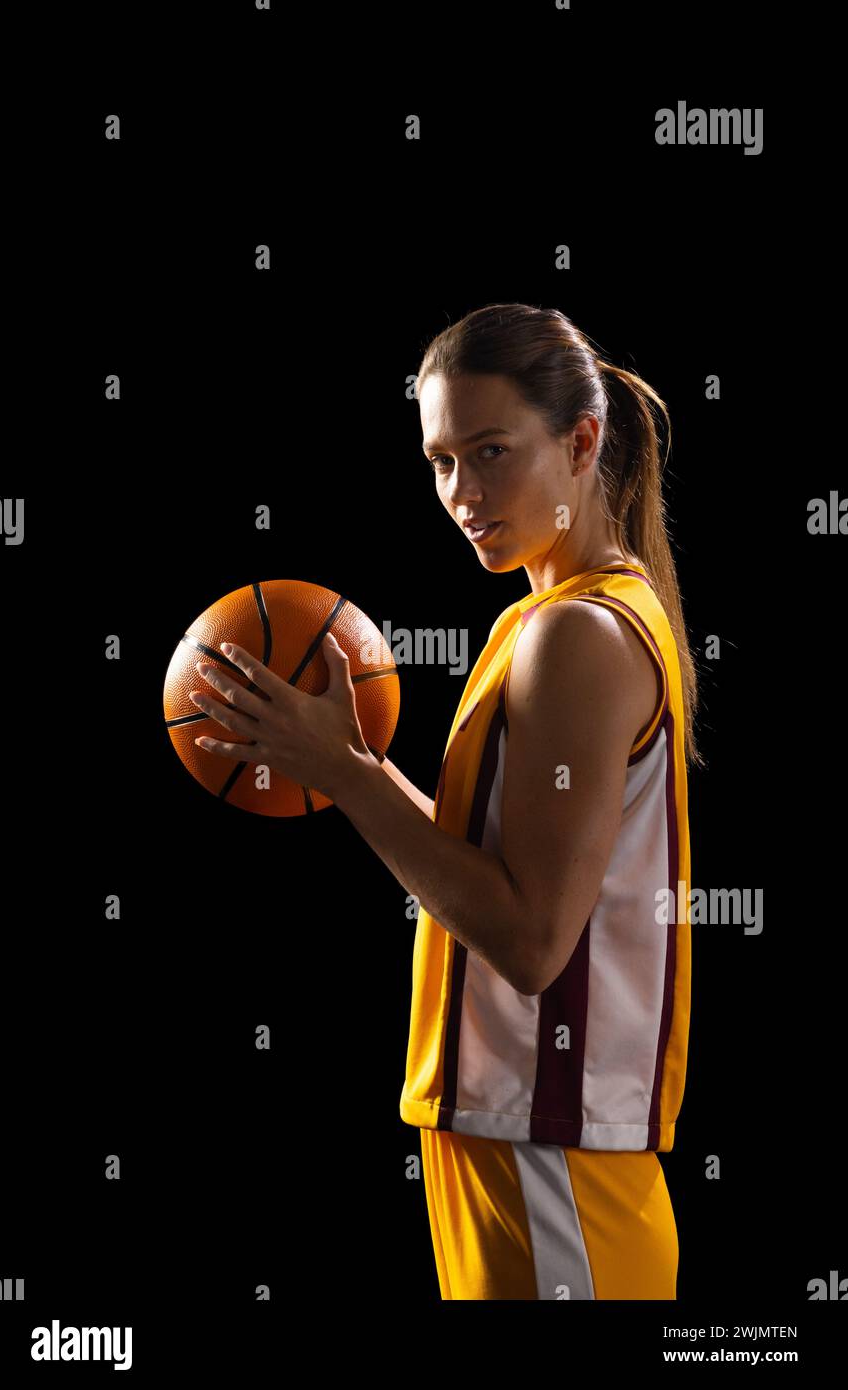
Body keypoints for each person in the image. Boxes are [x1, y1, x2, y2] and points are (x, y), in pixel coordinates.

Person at [188, 302, 701, 1300]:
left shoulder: (577, 637)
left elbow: (533, 939)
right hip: (506, 1142)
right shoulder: (541, 622)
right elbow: (499, 878)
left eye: (491, 451)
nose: (463, 492)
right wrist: (345, 764)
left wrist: (344, 773)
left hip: (553, 1156)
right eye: (439, 462)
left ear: (582, 439)